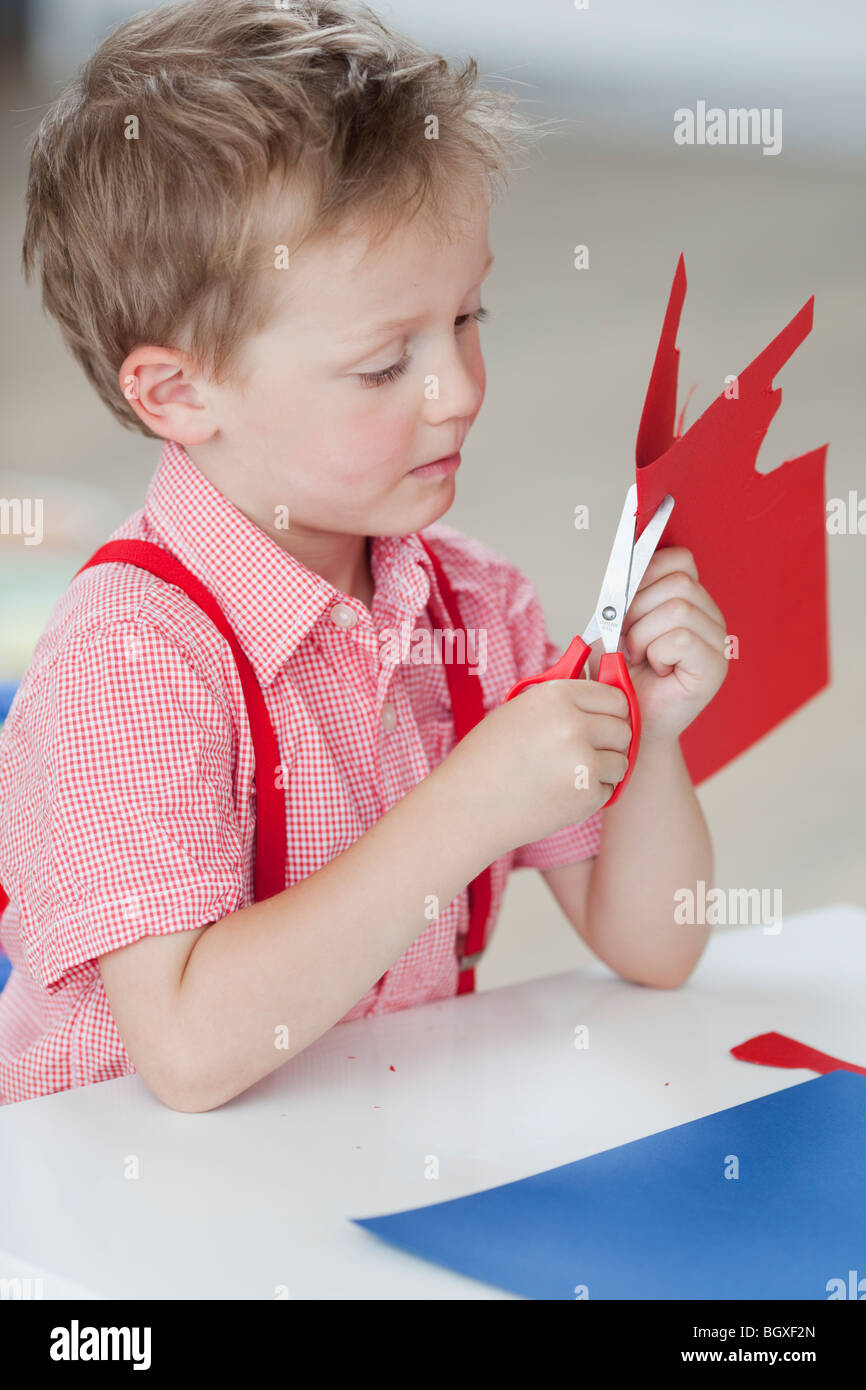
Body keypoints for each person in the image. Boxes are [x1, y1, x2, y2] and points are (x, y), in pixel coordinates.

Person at [0, 0, 727, 1109]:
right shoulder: (129, 661)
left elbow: (654, 947)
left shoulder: (477, 604)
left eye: (467, 318)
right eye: (387, 364)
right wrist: (463, 811)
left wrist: (653, 736)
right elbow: (189, 1055)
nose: (461, 391)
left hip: (349, 1173)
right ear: (178, 392)